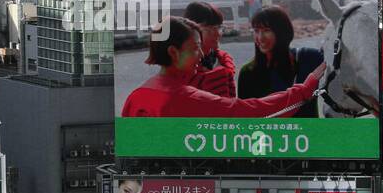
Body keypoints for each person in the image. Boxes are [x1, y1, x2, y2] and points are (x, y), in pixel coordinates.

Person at [121, 17, 325, 118]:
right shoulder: (186, 98)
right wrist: (305, 90)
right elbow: (252, 111)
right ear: (174, 52)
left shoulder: (136, 96)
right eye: (195, 49)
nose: (201, 55)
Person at [237, 5, 325, 118]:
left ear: (282, 33)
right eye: (256, 31)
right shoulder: (248, 72)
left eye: (266, 30)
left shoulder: (309, 59)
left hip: (309, 134)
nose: (260, 37)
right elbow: (246, 119)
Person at [184, 1, 235, 98]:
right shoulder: (182, 67)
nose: (217, 34)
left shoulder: (223, 61)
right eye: (209, 29)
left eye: (218, 28)